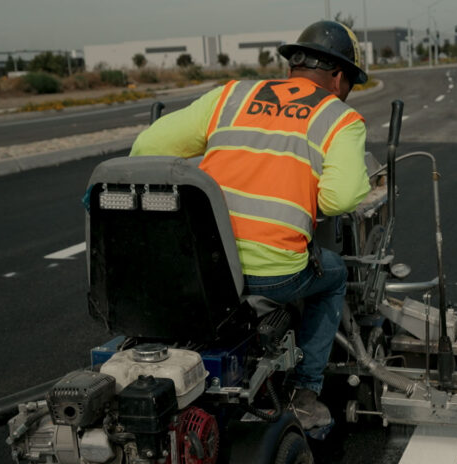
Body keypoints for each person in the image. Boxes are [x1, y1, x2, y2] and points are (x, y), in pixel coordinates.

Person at [129, 21, 371, 430]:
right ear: (339, 76)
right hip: (273, 274)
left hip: (207, 268)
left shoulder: (231, 95)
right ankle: (306, 392)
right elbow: (341, 199)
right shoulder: (340, 118)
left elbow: (146, 148)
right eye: (349, 83)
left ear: (293, 64)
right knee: (333, 278)